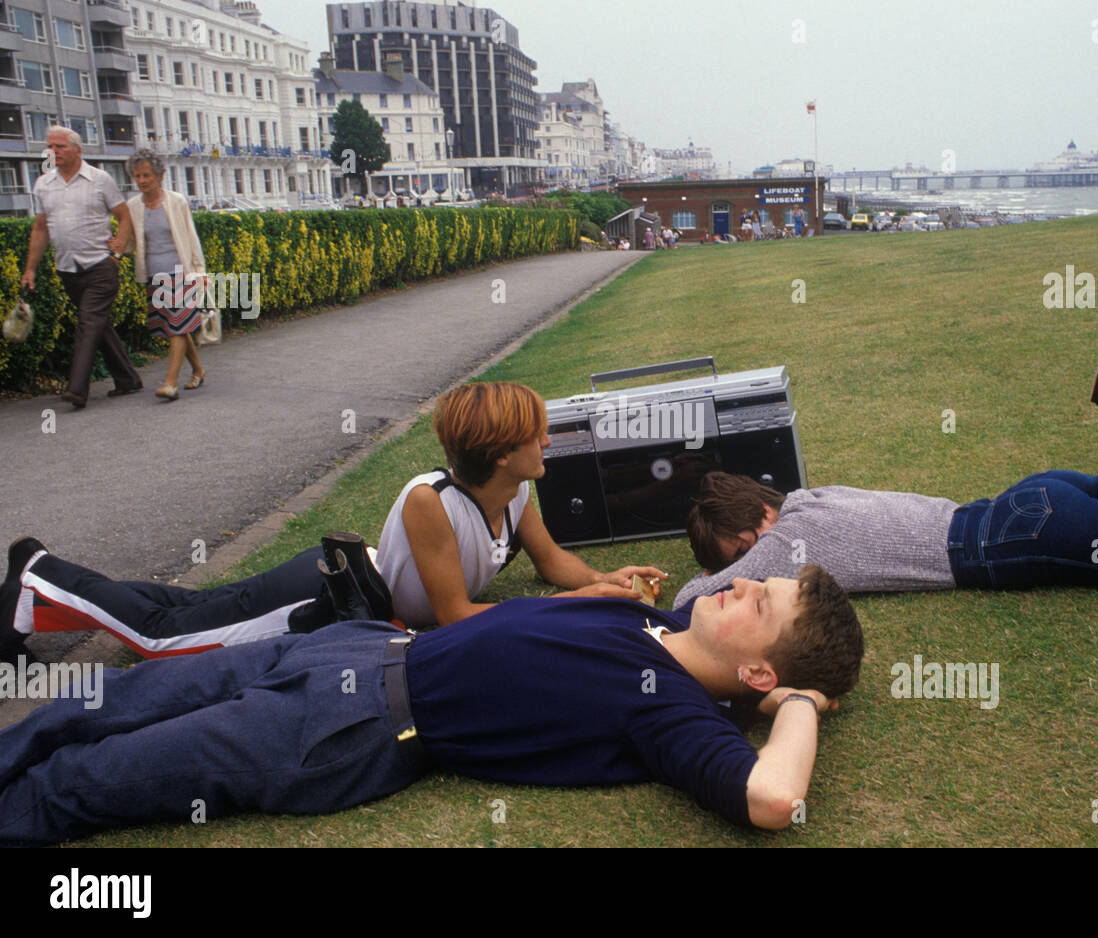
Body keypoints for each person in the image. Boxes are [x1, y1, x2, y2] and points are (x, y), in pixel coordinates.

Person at [0, 564, 863, 846]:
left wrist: (802, 703)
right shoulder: (663, 624)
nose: (742, 586)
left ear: (757, 676)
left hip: (348, 727)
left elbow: (771, 799)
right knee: (103, 699)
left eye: (762, 603)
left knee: (92, 777)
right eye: (756, 580)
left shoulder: (671, 711)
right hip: (349, 648)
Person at [674, 287, 1098, 608]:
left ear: (761, 519)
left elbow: (690, 601)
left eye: (740, 555)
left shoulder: (789, 546)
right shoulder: (811, 501)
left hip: (1023, 534)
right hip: (1035, 501)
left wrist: (716, 573)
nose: (746, 576)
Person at [0, 383, 664, 661]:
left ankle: (43, 572)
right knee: (164, 640)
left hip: (341, 583)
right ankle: (40, 578)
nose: (546, 444)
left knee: (190, 605)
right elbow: (457, 616)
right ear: (498, 451)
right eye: (538, 435)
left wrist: (605, 577)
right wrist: (581, 604)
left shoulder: (516, 491)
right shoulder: (428, 501)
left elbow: (551, 562)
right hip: (321, 599)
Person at [21, 127, 140, 409]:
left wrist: (119, 251)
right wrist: (30, 269)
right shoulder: (43, 185)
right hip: (68, 270)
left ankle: (77, 389)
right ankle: (128, 380)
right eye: (50, 146)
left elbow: (124, 216)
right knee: (98, 326)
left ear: (78, 150)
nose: (54, 151)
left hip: (100, 266)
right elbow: (40, 229)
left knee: (88, 324)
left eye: (60, 146)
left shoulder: (100, 180)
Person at [125, 149, 207, 401]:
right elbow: (130, 243)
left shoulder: (176, 201)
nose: (141, 180)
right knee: (177, 328)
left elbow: (191, 237)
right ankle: (198, 370)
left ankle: (170, 383)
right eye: (137, 175)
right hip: (155, 277)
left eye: (146, 175)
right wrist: (114, 245)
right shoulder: (133, 206)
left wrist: (200, 271)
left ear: (159, 175)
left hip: (182, 273)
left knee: (177, 326)